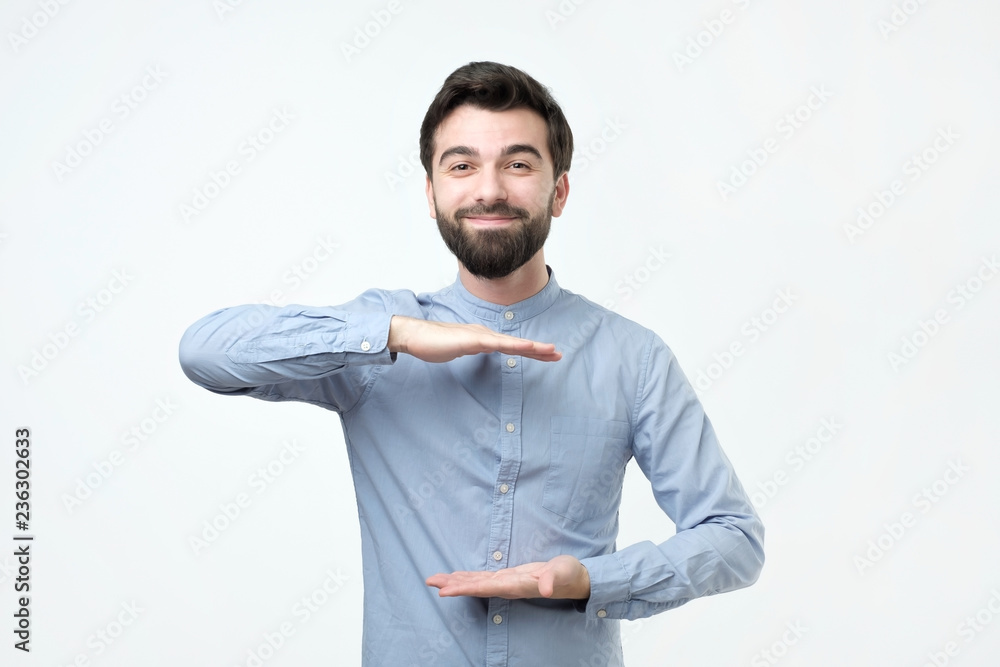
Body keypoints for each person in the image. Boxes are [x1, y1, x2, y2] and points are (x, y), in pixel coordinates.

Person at [179, 61, 764, 666]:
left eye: (517, 164)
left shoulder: (633, 357)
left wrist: (591, 581)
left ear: (558, 191)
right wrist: (397, 334)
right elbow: (206, 352)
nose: (489, 189)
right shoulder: (374, 346)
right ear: (431, 195)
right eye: (462, 166)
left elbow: (733, 538)